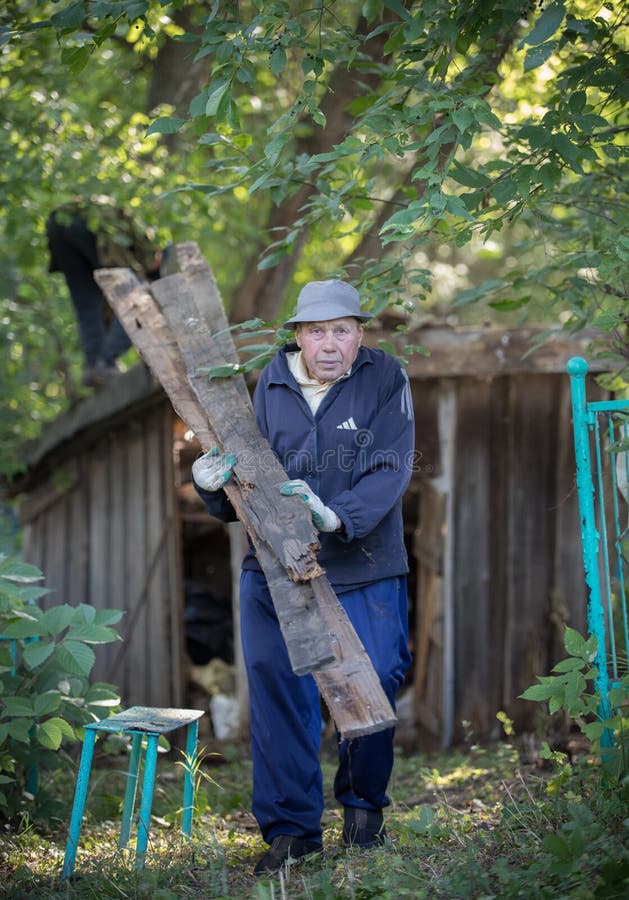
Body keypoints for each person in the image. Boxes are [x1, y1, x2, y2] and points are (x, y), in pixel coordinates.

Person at [192, 279, 414, 877]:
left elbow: (392, 465)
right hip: (271, 565)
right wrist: (211, 487)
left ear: (360, 334)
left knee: (377, 680)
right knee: (278, 695)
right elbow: (243, 469)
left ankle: (364, 812)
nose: (330, 343)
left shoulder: (385, 377)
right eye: (317, 331)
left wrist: (336, 514)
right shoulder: (271, 380)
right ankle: (292, 833)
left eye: (342, 330)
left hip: (362, 563)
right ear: (298, 336)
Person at [46, 195, 162, 387]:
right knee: (136, 298)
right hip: (90, 221)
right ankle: (106, 362)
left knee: (87, 305)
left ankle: (93, 367)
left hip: (57, 221)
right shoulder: (139, 237)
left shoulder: (119, 219)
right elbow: (152, 261)